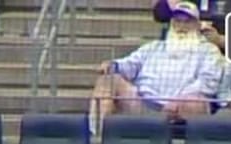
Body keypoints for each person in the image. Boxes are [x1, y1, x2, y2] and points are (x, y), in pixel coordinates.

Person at [90, 1, 223, 128]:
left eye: (187, 22)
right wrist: (112, 65)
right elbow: (130, 65)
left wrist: (178, 101)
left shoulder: (208, 51)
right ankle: (98, 138)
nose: (181, 26)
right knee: (108, 80)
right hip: (143, 103)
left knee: (196, 101)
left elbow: (208, 83)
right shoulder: (154, 47)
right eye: (177, 21)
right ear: (171, 23)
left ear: (197, 25)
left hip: (183, 106)